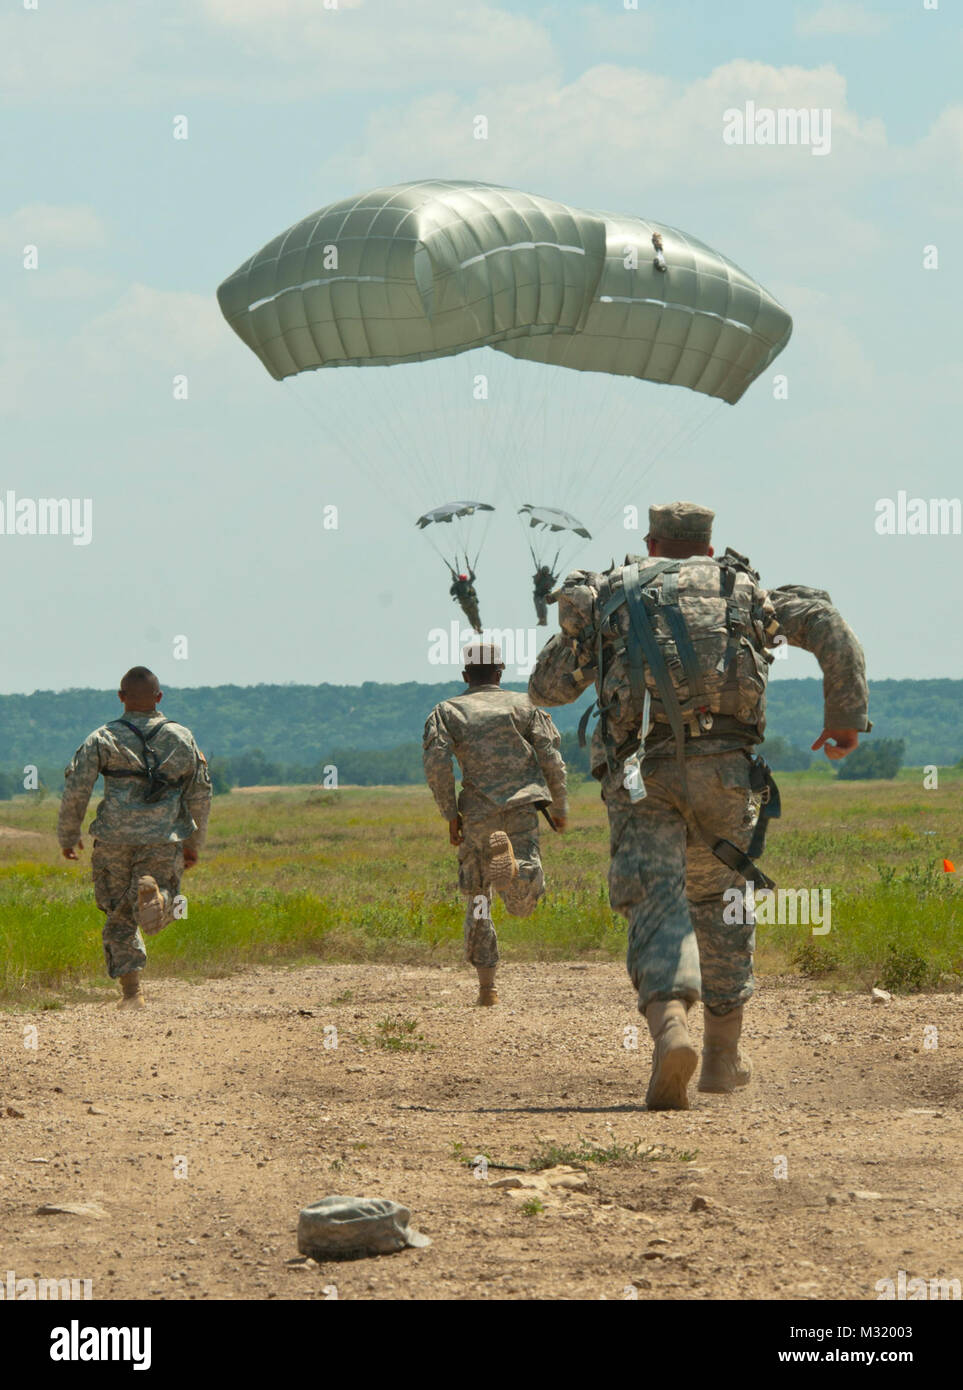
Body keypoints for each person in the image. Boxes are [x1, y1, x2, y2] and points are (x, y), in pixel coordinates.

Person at [529, 501, 871, 1109]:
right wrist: (844, 718)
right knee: (721, 902)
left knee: (656, 899)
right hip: (727, 775)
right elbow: (826, 622)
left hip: (642, 775)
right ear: (708, 548)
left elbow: (547, 689)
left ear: (651, 543)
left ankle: (671, 1033)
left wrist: (583, 632)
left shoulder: (617, 594)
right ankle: (720, 1060)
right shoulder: (741, 588)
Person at [58, 666, 212, 1009]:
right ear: (159, 697)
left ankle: (132, 994)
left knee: (118, 915)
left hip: (114, 840)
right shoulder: (181, 737)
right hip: (163, 838)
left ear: (121, 697)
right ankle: (160, 900)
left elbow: (77, 788)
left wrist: (69, 835)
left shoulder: (102, 738)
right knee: (170, 898)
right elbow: (200, 794)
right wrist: (192, 844)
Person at [423, 641, 567, 1005]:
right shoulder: (525, 705)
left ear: (465, 675)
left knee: (478, 899)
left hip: (477, 814)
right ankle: (519, 871)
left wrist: (450, 814)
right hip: (519, 810)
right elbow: (550, 756)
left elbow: (437, 764)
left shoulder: (447, 711)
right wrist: (560, 803)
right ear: (500, 672)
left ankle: (488, 988)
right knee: (522, 905)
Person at [449, 564, 483, 635]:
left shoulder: (456, 584)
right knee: (475, 614)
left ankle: (475, 628)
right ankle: (478, 628)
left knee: (470, 616)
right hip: (470, 602)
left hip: (463, 603)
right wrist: (469, 569)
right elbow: (473, 577)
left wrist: (452, 574)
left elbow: (452, 592)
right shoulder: (467, 583)